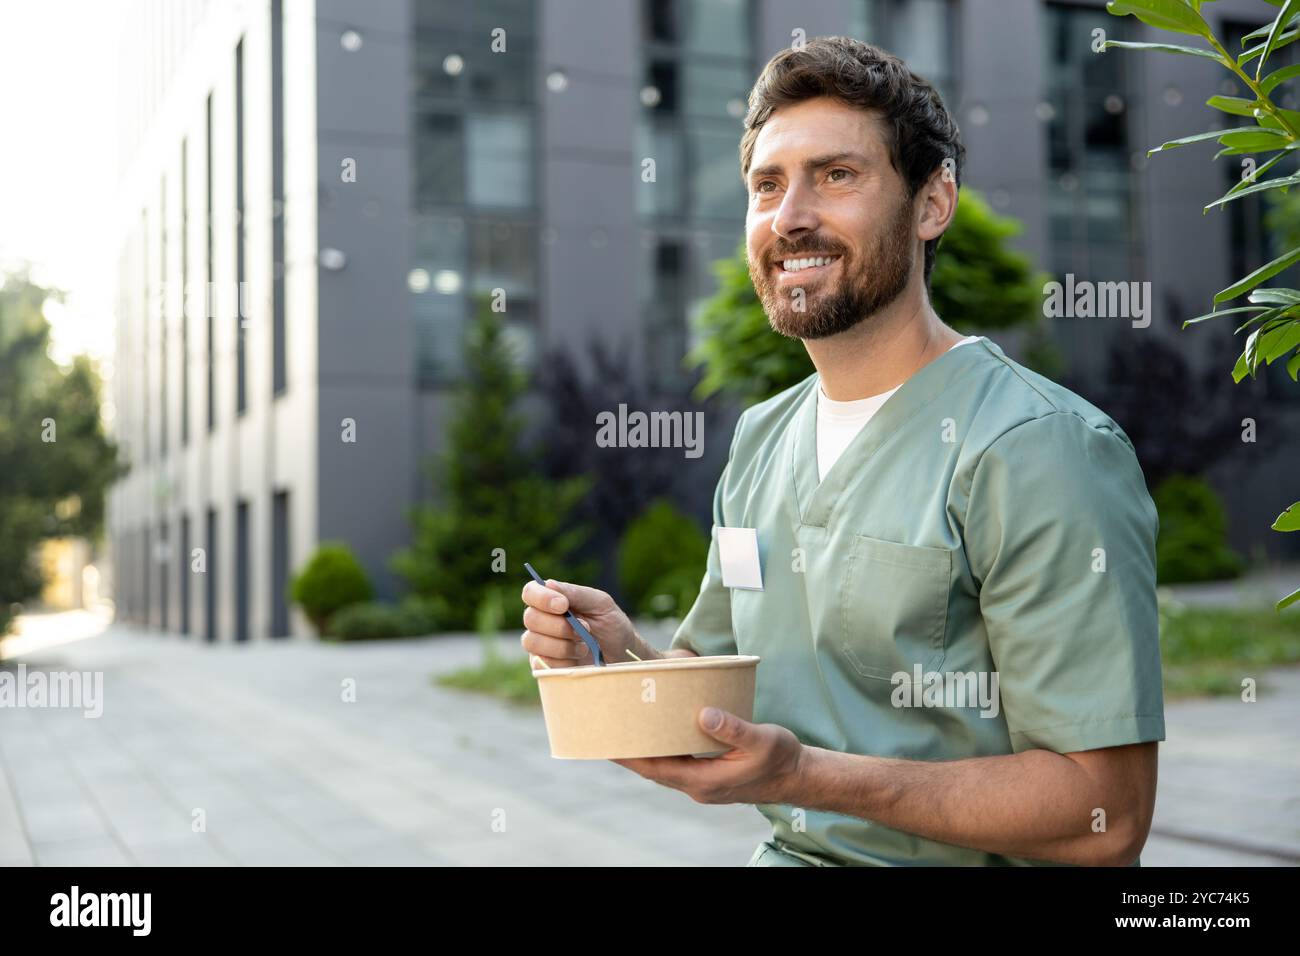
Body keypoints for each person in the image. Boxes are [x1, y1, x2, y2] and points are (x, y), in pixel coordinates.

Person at [521, 36, 1163, 867]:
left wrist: (806, 777)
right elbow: (718, 684)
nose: (791, 217)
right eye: (767, 185)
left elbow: (1102, 817)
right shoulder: (761, 439)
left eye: (837, 175)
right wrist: (623, 657)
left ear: (933, 204)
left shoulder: (1039, 450)